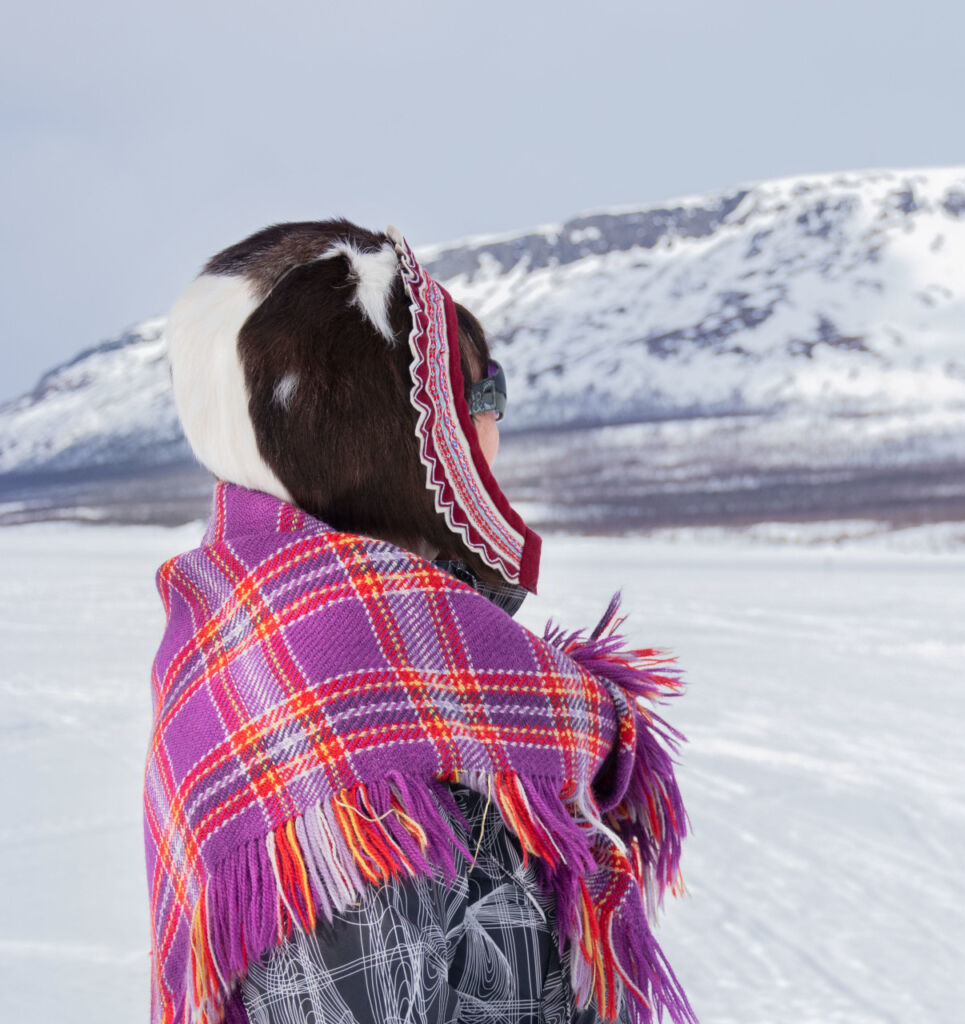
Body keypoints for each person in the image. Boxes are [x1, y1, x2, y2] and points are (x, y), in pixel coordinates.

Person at [144, 220, 693, 1024]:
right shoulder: (355, 758)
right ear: (404, 435)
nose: (496, 428)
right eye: (482, 393)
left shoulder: (259, 643)